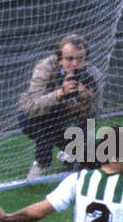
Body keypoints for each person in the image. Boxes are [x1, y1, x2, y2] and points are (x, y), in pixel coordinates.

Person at [17, 36, 101, 179]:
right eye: (69, 59)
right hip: (35, 121)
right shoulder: (45, 68)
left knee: (98, 159)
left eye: (80, 59)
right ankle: (41, 163)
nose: (74, 64)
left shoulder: (93, 75)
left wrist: (85, 100)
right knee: (53, 115)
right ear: (59, 59)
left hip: (71, 125)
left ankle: (69, 156)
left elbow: (94, 117)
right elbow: (31, 107)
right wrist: (60, 94)